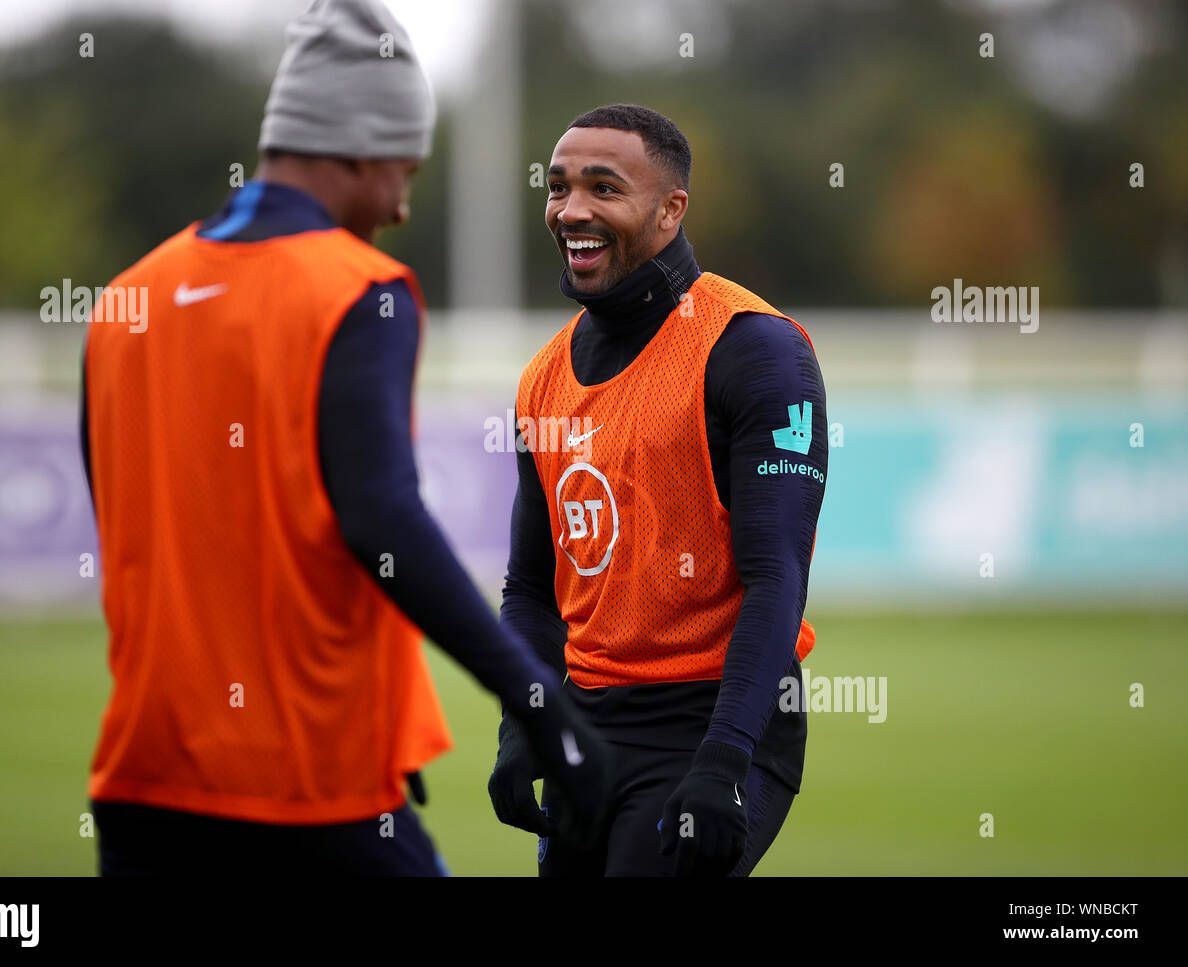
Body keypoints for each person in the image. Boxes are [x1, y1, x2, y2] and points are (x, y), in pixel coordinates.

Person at [80, 0, 609, 877]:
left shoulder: (124, 299)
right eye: (404, 169)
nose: (401, 205)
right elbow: (382, 518)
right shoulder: (360, 288)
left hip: (142, 785)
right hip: (306, 787)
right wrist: (541, 703)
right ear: (361, 148)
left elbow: (137, 529)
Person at [487, 104, 827, 877]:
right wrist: (523, 724)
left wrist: (724, 758)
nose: (572, 210)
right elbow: (530, 590)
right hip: (588, 727)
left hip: (714, 723)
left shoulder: (754, 350)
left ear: (672, 209)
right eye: (558, 187)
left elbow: (776, 579)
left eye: (603, 188)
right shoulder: (542, 376)